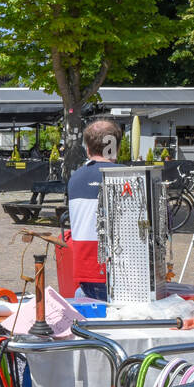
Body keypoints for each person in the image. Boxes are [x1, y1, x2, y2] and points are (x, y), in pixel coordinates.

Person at [66, 119, 121, 302]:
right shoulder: (127, 175)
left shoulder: (75, 178)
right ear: (115, 147)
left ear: (88, 149)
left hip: (85, 271)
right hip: (122, 271)